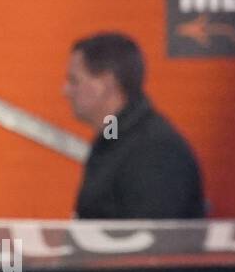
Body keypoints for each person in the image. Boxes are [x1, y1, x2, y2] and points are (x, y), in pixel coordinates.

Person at [63, 32, 207, 220]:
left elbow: (153, 241)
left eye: (74, 81)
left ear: (107, 83)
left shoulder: (157, 151)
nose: (65, 91)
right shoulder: (111, 140)